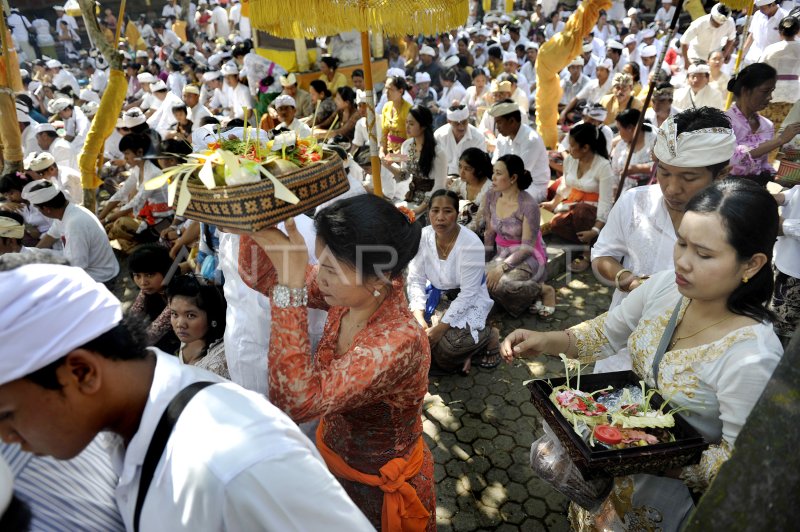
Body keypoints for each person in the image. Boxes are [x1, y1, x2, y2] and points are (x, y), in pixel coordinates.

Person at [0, 253, 374, 531]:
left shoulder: (236, 466)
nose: (6, 439)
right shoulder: (125, 435)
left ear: (81, 372)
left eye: (6, 416)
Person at [502, 179, 783, 531]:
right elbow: (605, 333)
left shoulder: (752, 357)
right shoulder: (666, 287)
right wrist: (545, 340)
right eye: (681, 243)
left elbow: (740, 462)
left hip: (668, 499)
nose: (683, 262)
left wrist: (647, 455)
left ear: (752, 264)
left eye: (704, 254)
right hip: (611, 475)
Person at [237, 195, 435, 530]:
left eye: (330, 268)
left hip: (375, 488)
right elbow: (261, 276)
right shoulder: (354, 296)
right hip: (332, 464)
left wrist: (294, 284)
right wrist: (254, 224)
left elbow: (296, 401)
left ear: (379, 277)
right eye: (320, 263)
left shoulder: (399, 341)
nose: (320, 276)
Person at [591, 107, 737, 372]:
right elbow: (602, 255)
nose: (671, 188)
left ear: (722, 175)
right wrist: (628, 280)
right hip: (623, 346)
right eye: (665, 172)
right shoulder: (634, 203)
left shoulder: (735, 224)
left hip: (689, 361)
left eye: (688, 177)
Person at [407, 189, 500, 374]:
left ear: (457, 214)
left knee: (448, 347)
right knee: (411, 332)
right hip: (435, 293)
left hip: (468, 299)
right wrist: (418, 317)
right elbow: (415, 278)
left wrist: (440, 328)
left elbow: (468, 295)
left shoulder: (471, 245)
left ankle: (490, 336)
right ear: (428, 213)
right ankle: (464, 356)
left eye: (447, 211)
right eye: (435, 211)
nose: (440, 217)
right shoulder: (423, 237)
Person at [484, 154, 555, 318]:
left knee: (503, 285)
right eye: (493, 172)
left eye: (499, 173)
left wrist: (500, 268)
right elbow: (489, 232)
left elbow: (527, 248)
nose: (493, 177)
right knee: (479, 278)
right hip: (501, 253)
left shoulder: (529, 205)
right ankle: (529, 297)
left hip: (527, 256)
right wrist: (485, 261)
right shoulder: (491, 196)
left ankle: (544, 291)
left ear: (513, 178)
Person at [542, 123, 614, 273]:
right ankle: (596, 241)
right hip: (574, 206)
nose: (569, 149)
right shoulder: (570, 160)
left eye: (572, 145)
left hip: (594, 213)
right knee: (556, 224)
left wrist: (595, 229)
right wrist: (553, 204)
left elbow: (606, 201)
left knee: (582, 211)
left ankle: (588, 252)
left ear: (585, 148)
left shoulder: (603, 166)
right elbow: (566, 185)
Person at [25, 182, 118, 286]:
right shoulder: (66, 212)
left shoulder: (74, 223)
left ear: (47, 209)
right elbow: (51, 235)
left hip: (101, 277)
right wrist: (31, 255)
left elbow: (77, 266)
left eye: (38, 209)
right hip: (95, 270)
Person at [726, 62, 800, 185]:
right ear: (745, 91)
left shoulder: (767, 125)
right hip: (729, 190)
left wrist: (777, 176)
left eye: (771, 91)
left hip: (757, 189)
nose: (770, 97)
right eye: (765, 91)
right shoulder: (725, 121)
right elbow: (734, 158)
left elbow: (763, 164)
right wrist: (780, 140)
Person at [383, 105, 447, 216]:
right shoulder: (407, 145)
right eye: (406, 122)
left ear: (423, 126)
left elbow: (439, 186)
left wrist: (417, 210)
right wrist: (388, 165)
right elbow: (405, 175)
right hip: (411, 197)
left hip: (432, 202)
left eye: (411, 124)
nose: (407, 126)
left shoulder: (438, 153)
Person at [167, 273, 229, 378]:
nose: (180, 324)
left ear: (211, 316)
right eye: (174, 314)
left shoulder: (218, 364)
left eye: (191, 315)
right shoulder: (189, 336)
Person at [489, 99, 550, 203]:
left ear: (512, 121)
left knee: (509, 202)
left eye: (499, 122)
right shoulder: (502, 138)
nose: (497, 127)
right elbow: (495, 166)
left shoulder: (531, 140)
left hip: (532, 186)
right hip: (506, 182)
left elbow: (520, 177)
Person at [127, 244, 181, 354]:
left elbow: (154, 332)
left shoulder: (179, 293)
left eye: (150, 274)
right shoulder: (150, 289)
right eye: (137, 275)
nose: (143, 282)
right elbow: (133, 315)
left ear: (166, 271)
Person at [758, 15, 800, 133]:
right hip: (794, 92)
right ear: (797, 30)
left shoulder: (770, 49)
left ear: (780, 31)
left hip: (771, 91)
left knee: (767, 129)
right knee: (787, 130)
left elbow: (759, 70)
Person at [448, 147, 494, 238]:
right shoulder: (460, 183)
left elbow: (478, 223)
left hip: (480, 236)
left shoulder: (490, 189)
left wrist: (454, 235)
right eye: (460, 166)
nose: (461, 172)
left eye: (467, 169)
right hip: (457, 230)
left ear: (479, 170)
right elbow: (445, 202)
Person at [610, 108, 656, 194]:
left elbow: (662, 166)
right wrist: (615, 188)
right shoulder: (621, 145)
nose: (619, 134)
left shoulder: (654, 141)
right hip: (624, 194)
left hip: (647, 192)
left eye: (619, 129)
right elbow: (614, 172)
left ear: (630, 128)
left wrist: (638, 169)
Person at [434, 103, 487, 176]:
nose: (461, 127)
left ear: (468, 119)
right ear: (449, 121)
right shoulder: (439, 135)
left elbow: (482, 165)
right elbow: (434, 162)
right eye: (457, 124)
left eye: (464, 122)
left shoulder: (478, 137)